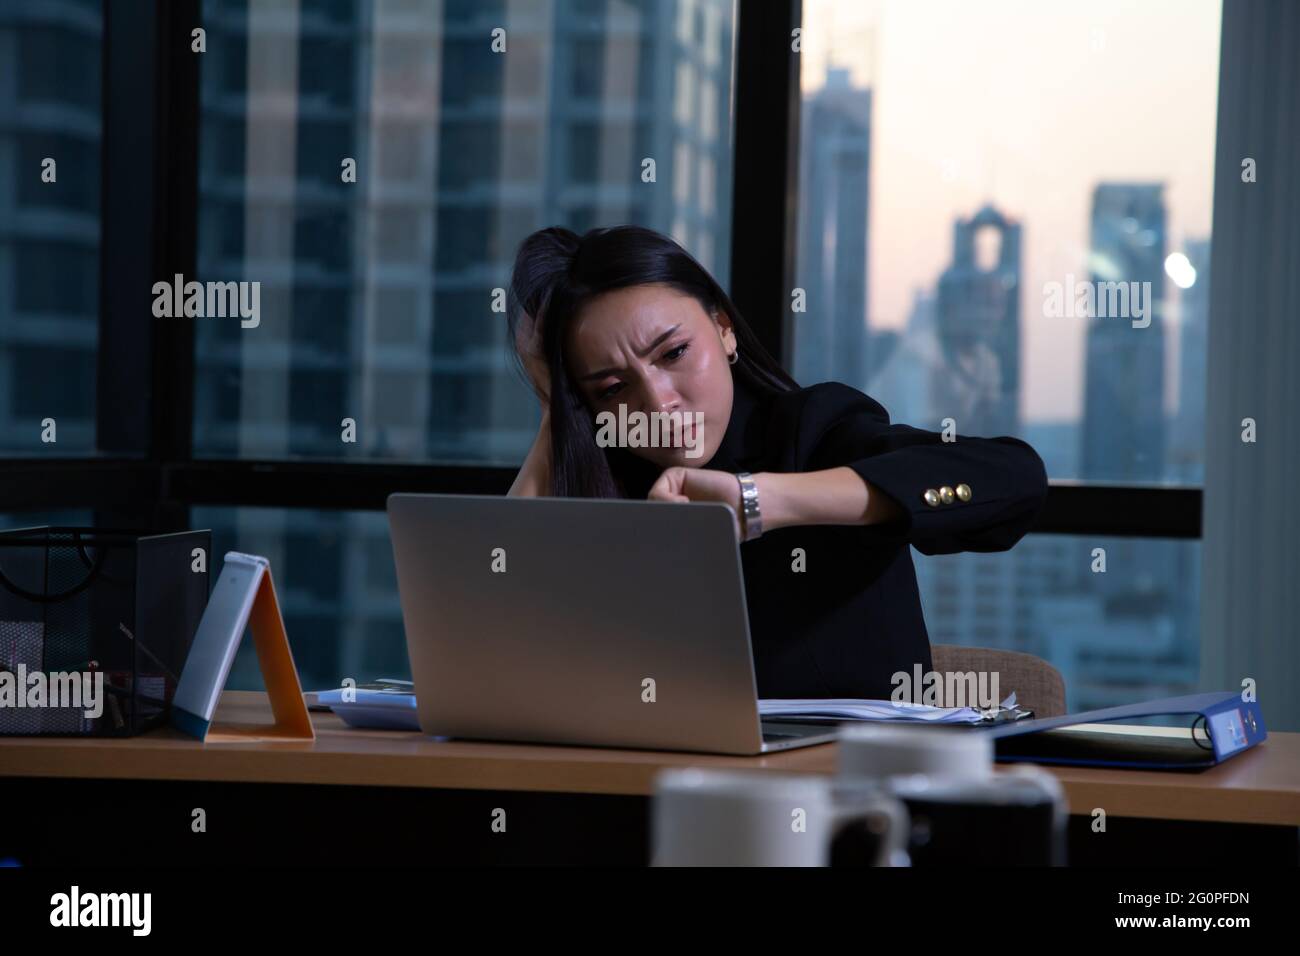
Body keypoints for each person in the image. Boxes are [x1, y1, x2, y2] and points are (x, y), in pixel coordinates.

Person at [505, 224, 1048, 700]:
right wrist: (555, 408)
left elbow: (1013, 477)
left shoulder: (813, 427)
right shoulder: (608, 475)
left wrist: (762, 501)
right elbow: (502, 633)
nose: (658, 403)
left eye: (673, 354)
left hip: (844, 790)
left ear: (724, 328)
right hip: (658, 787)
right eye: (613, 387)